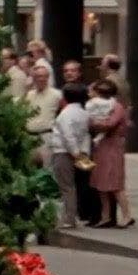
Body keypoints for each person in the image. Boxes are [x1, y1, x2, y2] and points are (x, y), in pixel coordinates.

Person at [88, 79, 132, 228]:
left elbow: (110, 124)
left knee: (115, 183)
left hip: (113, 146)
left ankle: (127, 215)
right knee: (101, 183)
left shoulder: (117, 106)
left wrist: (95, 123)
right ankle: (105, 216)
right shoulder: (96, 106)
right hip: (101, 146)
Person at [49, 84, 91, 229]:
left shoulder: (65, 114)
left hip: (63, 152)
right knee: (73, 185)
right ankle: (71, 215)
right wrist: (83, 152)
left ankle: (69, 217)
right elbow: (85, 134)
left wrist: (75, 152)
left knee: (65, 186)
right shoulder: (84, 113)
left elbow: (68, 135)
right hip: (79, 151)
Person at [23, 64, 62, 165]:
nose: (42, 79)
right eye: (38, 76)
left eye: (44, 76)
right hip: (30, 138)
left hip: (46, 137)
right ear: (34, 78)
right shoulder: (29, 95)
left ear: (48, 77)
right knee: (30, 170)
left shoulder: (57, 94)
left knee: (47, 169)